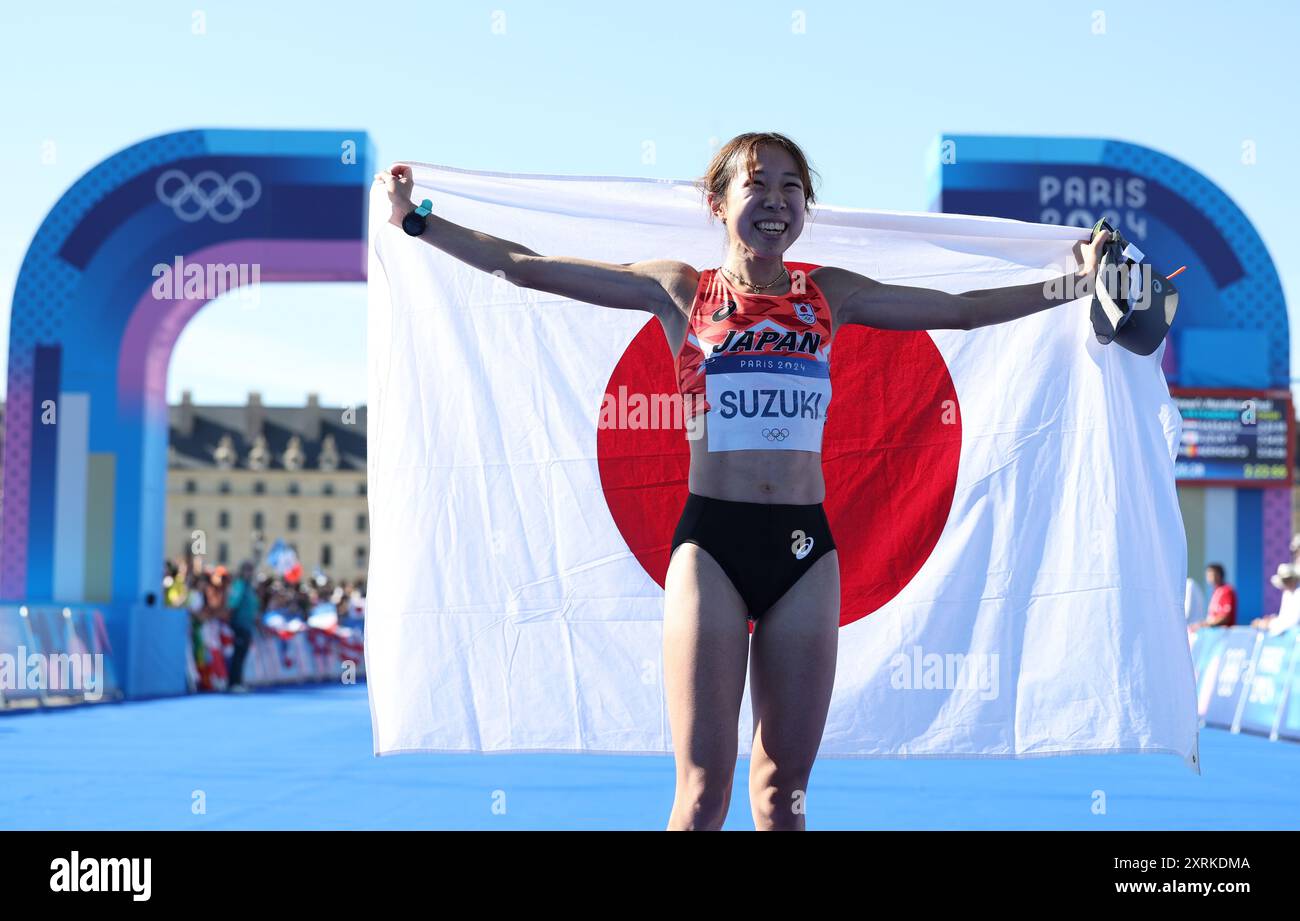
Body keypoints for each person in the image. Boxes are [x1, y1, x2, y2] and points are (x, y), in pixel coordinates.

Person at [374, 132, 1114, 831]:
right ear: (718, 203)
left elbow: (963, 311)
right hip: (713, 546)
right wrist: (418, 223)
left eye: (793, 188)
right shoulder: (678, 291)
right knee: (701, 797)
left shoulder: (832, 294)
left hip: (805, 551)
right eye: (757, 183)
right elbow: (526, 266)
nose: (777, 199)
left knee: (781, 797)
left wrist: (1076, 284)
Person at [226, 561, 260, 692]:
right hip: (239, 623)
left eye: (250, 570)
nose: (249, 573)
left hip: (247, 625)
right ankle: (233, 683)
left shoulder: (249, 587)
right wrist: (230, 621)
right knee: (238, 654)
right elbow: (233, 604)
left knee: (243, 654)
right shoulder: (239, 585)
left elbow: (254, 606)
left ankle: (239, 681)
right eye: (247, 570)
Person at [1251, 563, 1300, 635]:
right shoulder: (1287, 594)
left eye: (1288, 579)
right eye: (1284, 580)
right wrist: (1271, 620)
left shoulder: (1297, 593)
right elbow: (1285, 618)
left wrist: (1268, 624)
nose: (1287, 583)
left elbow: (1293, 622)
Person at [1189, 563, 1236, 632]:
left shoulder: (1227, 591)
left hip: (1222, 635)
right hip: (1214, 633)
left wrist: (1204, 624)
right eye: (1207, 575)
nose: (1208, 577)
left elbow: (1225, 617)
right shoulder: (1216, 591)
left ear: (1219, 575)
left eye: (1211, 574)